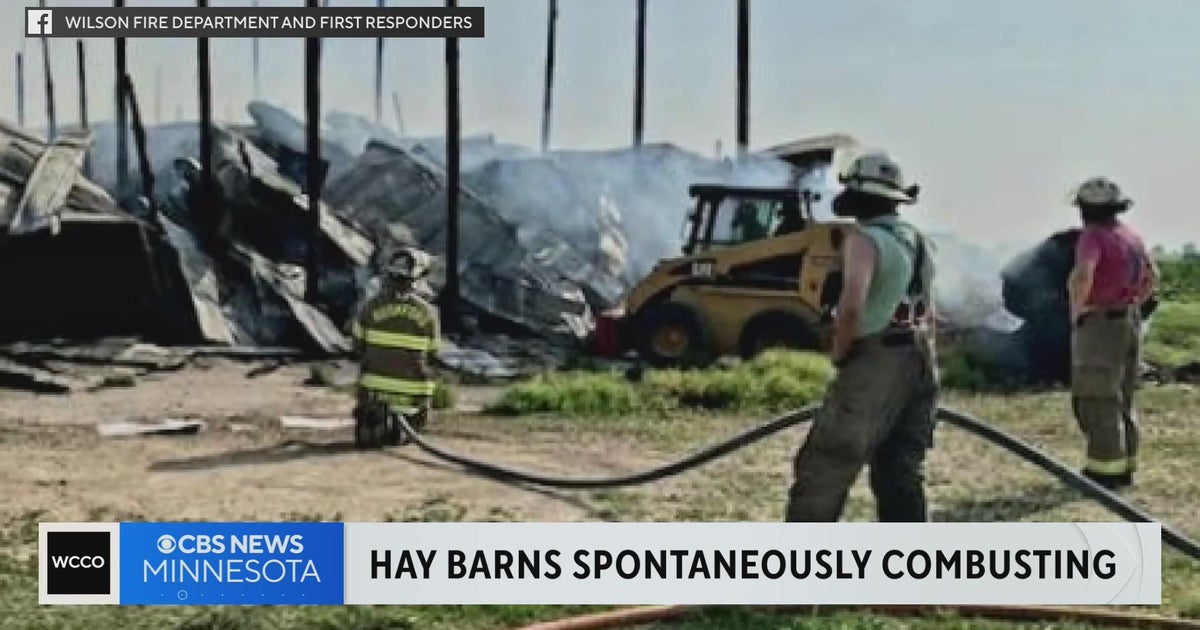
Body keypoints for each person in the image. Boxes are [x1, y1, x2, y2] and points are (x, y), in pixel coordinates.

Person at [784, 151, 938, 522]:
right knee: (899, 469)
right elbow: (930, 311)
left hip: (876, 360)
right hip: (920, 359)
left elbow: (851, 306)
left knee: (825, 466)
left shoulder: (864, 240)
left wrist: (840, 351)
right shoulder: (918, 241)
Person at [1066, 177, 1157, 490]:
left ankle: (1105, 473)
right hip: (1129, 320)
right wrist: (1133, 305)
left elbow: (1083, 275)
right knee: (1123, 395)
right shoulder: (1131, 236)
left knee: (1097, 396)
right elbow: (1152, 276)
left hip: (1102, 323)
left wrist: (1078, 311)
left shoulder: (1093, 236)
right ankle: (1126, 462)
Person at [351, 247, 441, 448]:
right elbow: (434, 353)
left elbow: (357, 346)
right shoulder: (428, 313)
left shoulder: (369, 307)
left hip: (373, 394)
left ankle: (376, 423)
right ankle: (406, 427)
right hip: (413, 398)